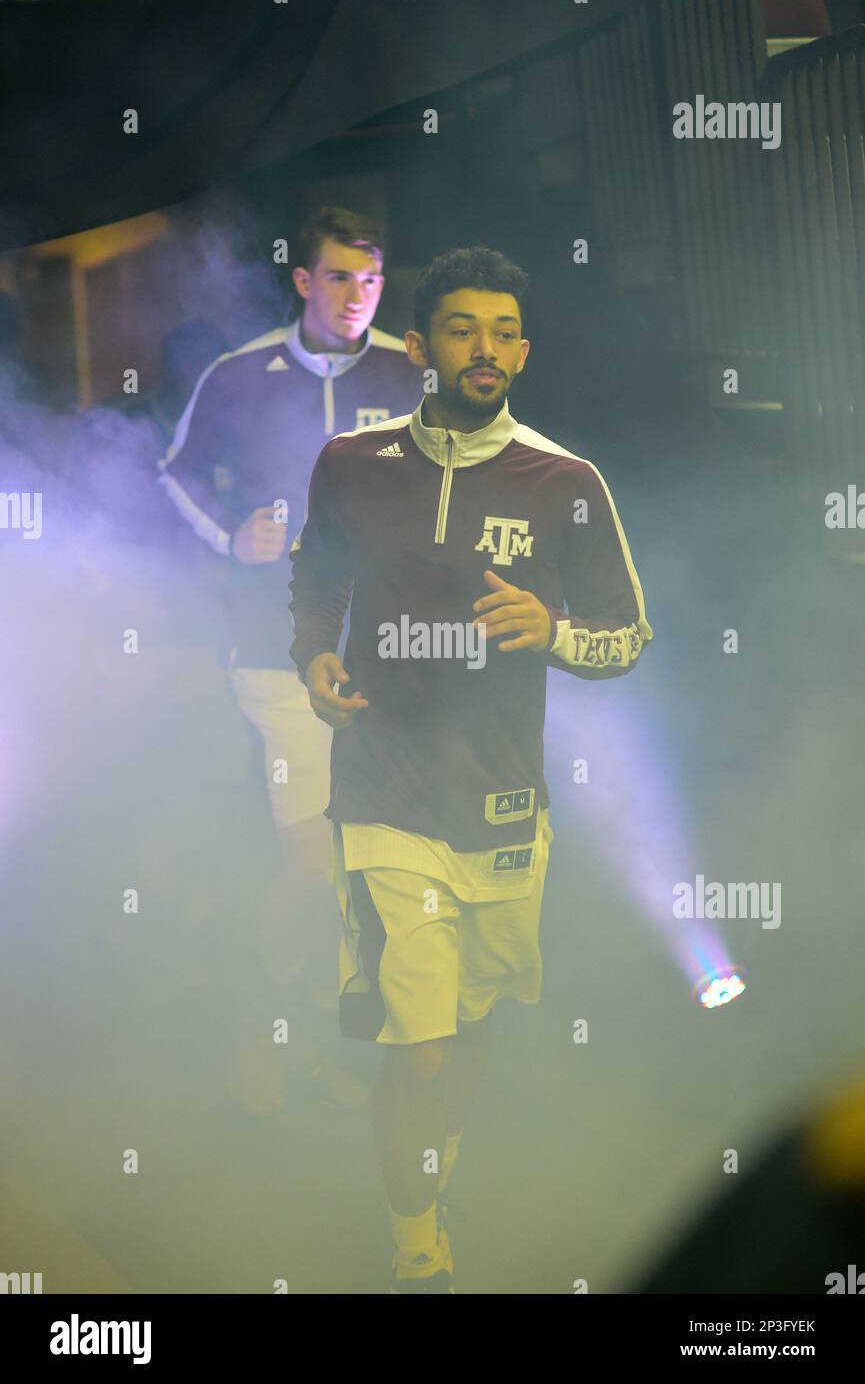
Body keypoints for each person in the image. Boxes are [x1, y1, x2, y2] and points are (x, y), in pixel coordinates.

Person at [288, 245, 654, 1292]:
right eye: (460, 328)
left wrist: (550, 629)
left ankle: (430, 1166)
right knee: (425, 1043)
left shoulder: (566, 481)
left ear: (523, 352)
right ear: (419, 346)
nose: (483, 348)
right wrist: (315, 658)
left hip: (499, 806)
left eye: (501, 332)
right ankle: (416, 1250)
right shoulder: (352, 463)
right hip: (383, 792)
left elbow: (626, 637)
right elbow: (313, 580)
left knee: (472, 1026)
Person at [157, 207, 420, 1106]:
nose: (357, 297)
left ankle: (362, 1039)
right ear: (303, 281)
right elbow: (172, 471)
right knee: (314, 862)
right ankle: (279, 1031)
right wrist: (232, 538)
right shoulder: (238, 375)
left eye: (372, 280)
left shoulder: (409, 370)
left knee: (387, 866)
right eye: (339, 278)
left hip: (397, 657)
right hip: (277, 656)